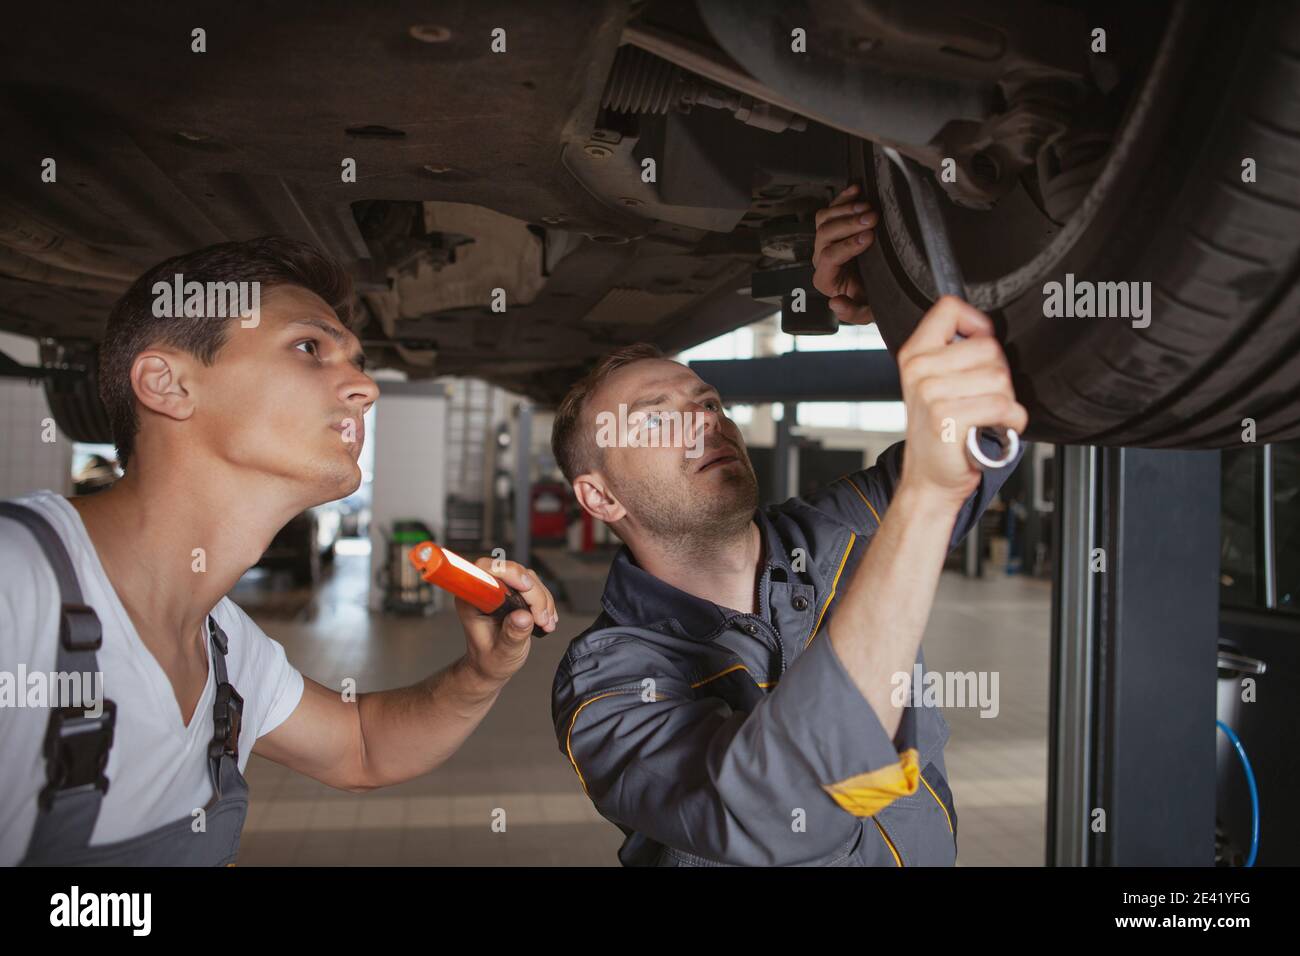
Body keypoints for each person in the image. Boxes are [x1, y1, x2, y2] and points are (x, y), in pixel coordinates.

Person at [0, 237, 557, 865]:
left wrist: (481, 674)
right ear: (168, 384)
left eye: (357, 359)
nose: (366, 387)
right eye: (309, 348)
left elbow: (361, 747)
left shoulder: (223, 643)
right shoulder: (17, 588)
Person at [548, 186, 1028, 865]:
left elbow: (1002, 406)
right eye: (657, 419)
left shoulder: (841, 528)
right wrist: (924, 493)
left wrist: (896, 304)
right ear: (600, 499)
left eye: (708, 403)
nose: (704, 423)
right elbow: (777, 814)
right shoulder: (608, 681)